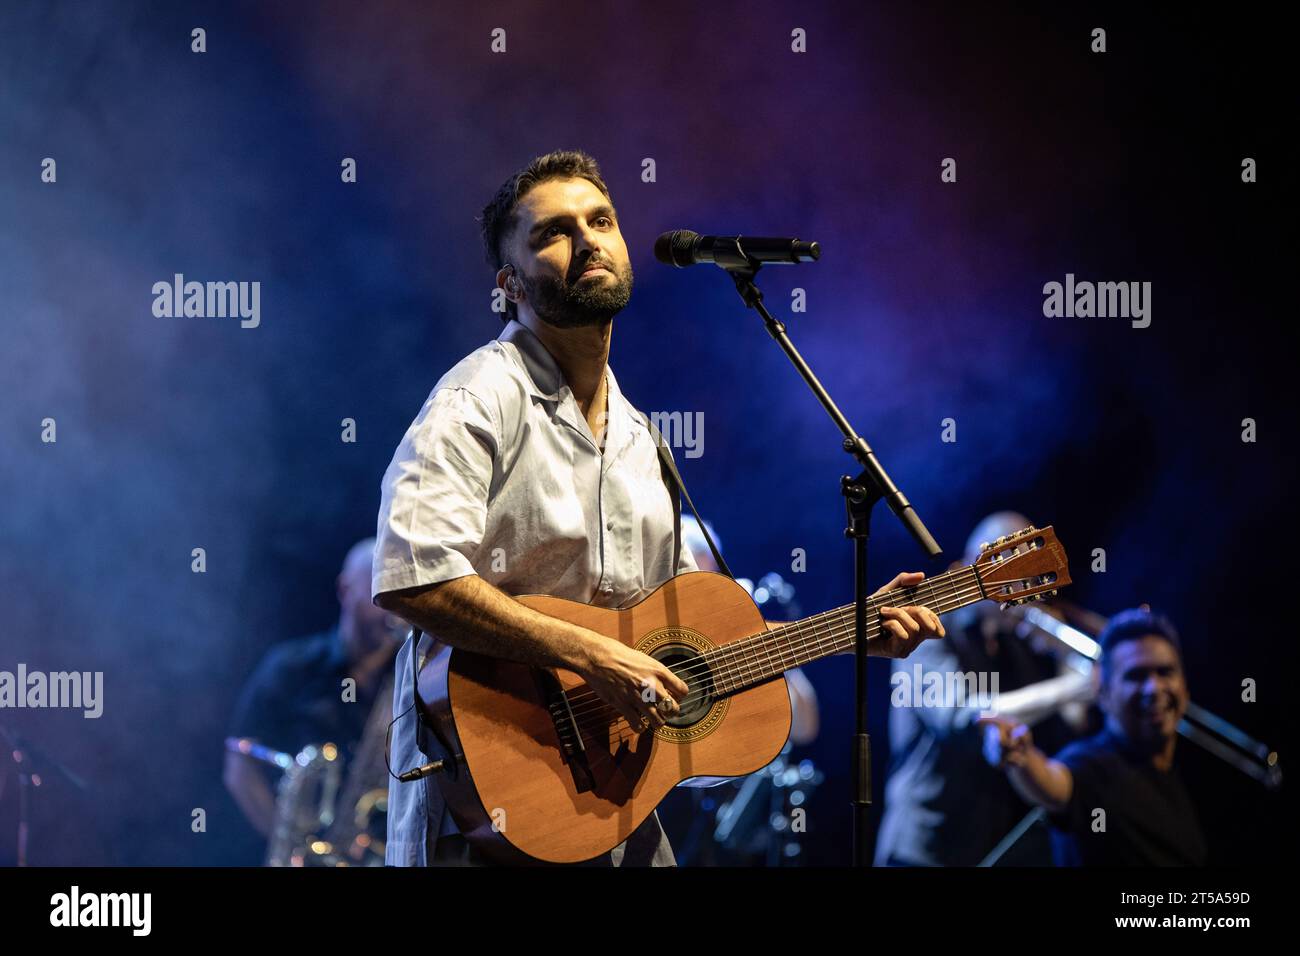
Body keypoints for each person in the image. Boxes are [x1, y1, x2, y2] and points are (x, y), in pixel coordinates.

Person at [372, 149, 944, 867]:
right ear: (508, 284)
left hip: (617, 804)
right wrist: (591, 654)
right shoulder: (475, 402)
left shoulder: (644, 439)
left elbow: (679, 639)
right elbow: (410, 578)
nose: (587, 241)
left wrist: (850, 631)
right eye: (553, 231)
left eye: (601, 220)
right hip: (492, 810)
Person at [875, 512, 1092, 866]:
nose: (1022, 589)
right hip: (922, 846)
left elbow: (1072, 722)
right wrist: (1071, 687)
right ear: (966, 570)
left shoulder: (1012, 644)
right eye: (1010, 574)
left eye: (1028, 577)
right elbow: (959, 716)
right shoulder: (927, 632)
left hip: (986, 847)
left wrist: (1064, 656)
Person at [981, 607, 1208, 865]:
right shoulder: (1089, 765)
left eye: (1165, 672)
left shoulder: (1188, 776)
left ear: (1185, 688)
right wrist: (1019, 756)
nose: (1154, 688)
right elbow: (1053, 783)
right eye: (1135, 675)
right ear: (1103, 692)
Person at [224, 538, 405, 839]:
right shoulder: (290, 667)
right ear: (345, 590)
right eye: (381, 591)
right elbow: (240, 766)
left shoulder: (411, 675)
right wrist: (289, 845)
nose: (394, 610)